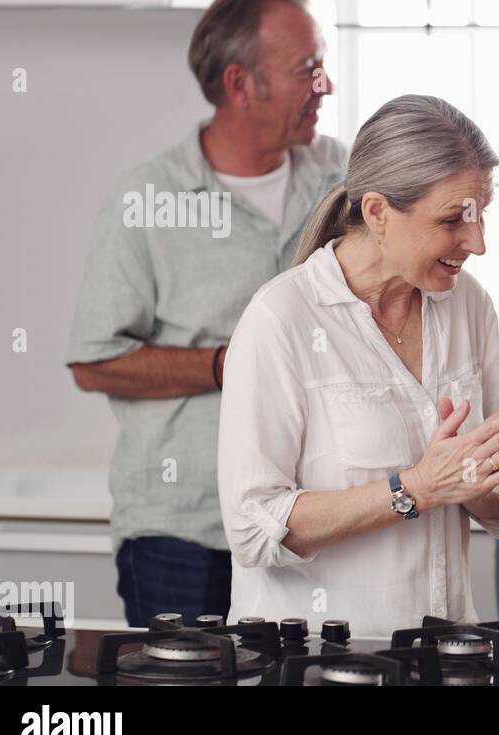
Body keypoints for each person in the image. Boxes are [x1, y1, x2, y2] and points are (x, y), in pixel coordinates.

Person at [66, 0, 345, 625]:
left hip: (312, 518)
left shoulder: (343, 175)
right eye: (308, 69)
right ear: (240, 84)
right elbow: (95, 362)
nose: (325, 85)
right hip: (185, 528)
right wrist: (234, 363)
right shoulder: (146, 199)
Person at [217, 95, 499, 636]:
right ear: (377, 212)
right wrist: (414, 488)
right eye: (453, 220)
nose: (477, 243)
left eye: (481, 215)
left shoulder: (469, 305)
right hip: (318, 658)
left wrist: (477, 474)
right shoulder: (281, 318)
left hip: (443, 649)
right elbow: (253, 527)